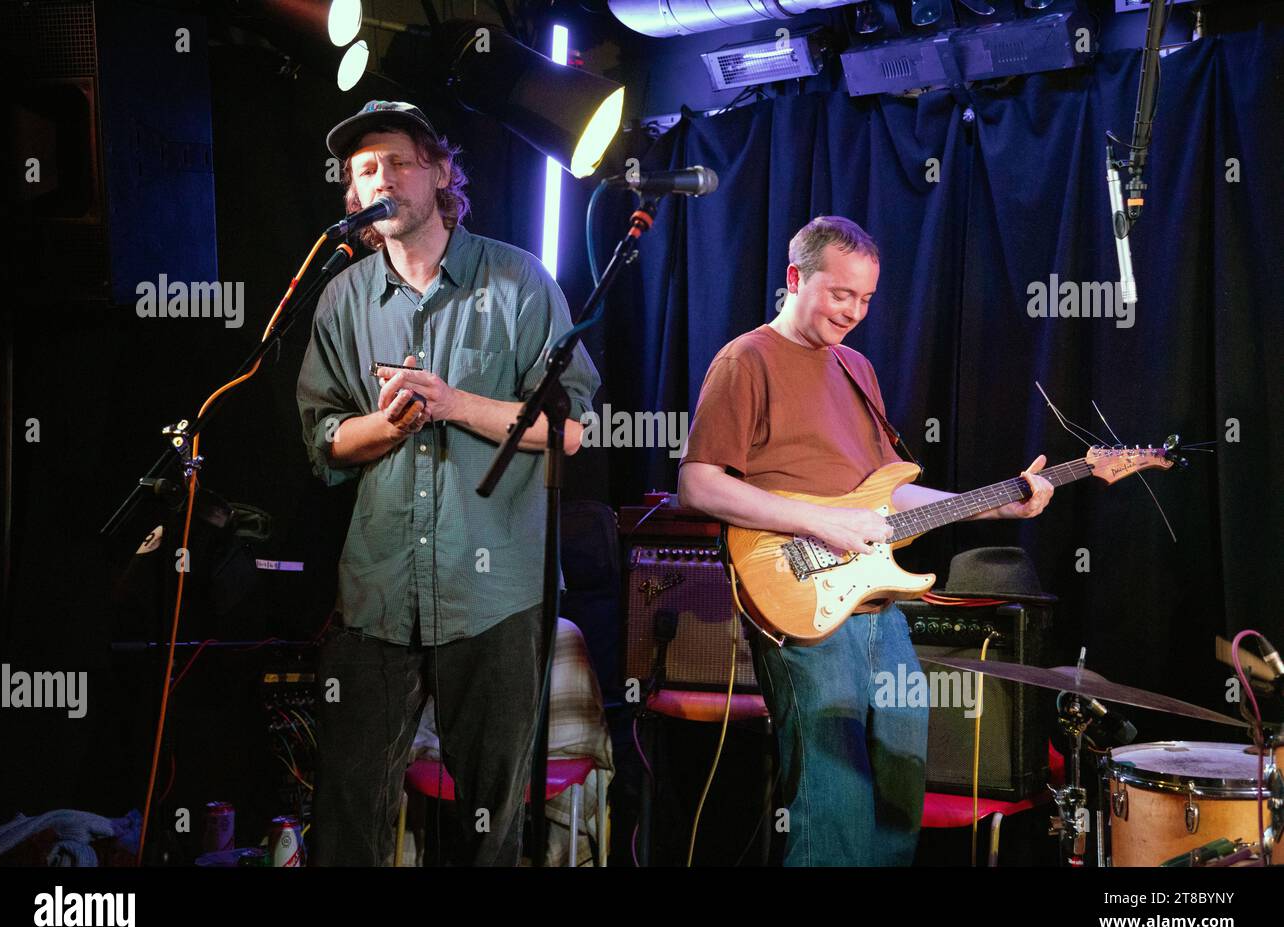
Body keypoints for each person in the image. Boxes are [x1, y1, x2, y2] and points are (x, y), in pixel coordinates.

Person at [677, 216, 1053, 866]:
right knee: (836, 812)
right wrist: (817, 521)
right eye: (840, 293)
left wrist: (998, 507)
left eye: (867, 299)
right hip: (804, 604)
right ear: (795, 279)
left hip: (880, 609)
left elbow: (886, 496)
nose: (854, 312)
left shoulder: (856, 369)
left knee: (899, 789)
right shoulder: (746, 360)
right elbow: (698, 484)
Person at [295, 100, 600, 866]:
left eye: (398, 161)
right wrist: (392, 424)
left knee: (488, 819)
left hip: (494, 594)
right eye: (364, 170)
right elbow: (326, 439)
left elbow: (565, 430)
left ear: (439, 172)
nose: (381, 179)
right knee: (347, 811)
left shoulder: (519, 279)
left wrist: (455, 403)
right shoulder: (343, 297)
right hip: (379, 587)